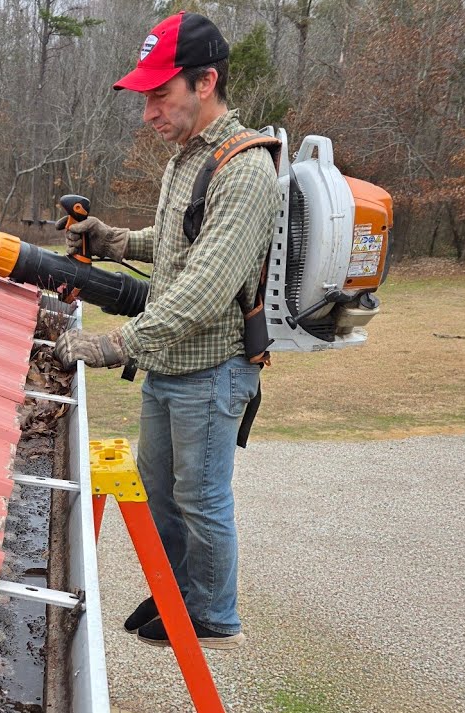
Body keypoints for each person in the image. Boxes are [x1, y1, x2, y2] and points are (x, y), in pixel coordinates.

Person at [54, 11, 279, 649]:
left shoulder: (244, 169)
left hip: (212, 371)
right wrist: (117, 239)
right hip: (170, 367)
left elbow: (205, 292)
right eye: (145, 96)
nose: (148, 110)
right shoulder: (187, 160)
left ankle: (214, 618)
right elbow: (183, 245)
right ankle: (183, 594)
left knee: (202, 501)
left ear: (204, 82)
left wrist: (116, 344)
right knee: (160, 493)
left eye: (160, 93)